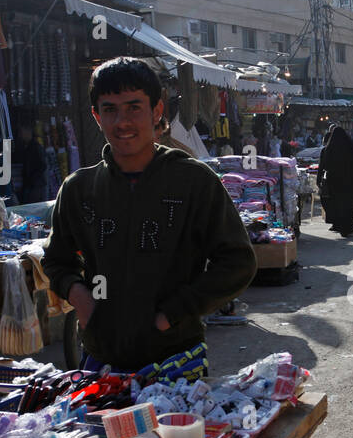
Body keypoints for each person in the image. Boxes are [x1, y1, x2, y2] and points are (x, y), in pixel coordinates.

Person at [43, 57, 256, 373]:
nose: (122, 121)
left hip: (176, 358)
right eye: (110, 109)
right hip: (101, 359)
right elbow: (56, 260)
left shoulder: (194, 182)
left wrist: (172, 314)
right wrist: (81, 298)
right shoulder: (79, 189)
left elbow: (238, 262)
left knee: (178, 426)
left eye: (133, 107)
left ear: (157, 110)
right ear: (96, 116)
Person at [316, 125, 353, 236]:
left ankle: (339, 224)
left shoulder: (327, 149)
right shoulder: (351, 147)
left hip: (334, 182)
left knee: (337, 204)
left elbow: (322, 166)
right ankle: (348, 226)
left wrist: (318, 180)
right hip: (351, 182)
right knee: (349, 204)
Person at [15, 123, 49, 202]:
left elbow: (43, 165)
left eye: (21, 133)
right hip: (30, 185)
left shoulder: (36, 147)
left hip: (35, 186)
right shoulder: (27, 147)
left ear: (27, 133)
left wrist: (33, 179)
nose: (20, 136)